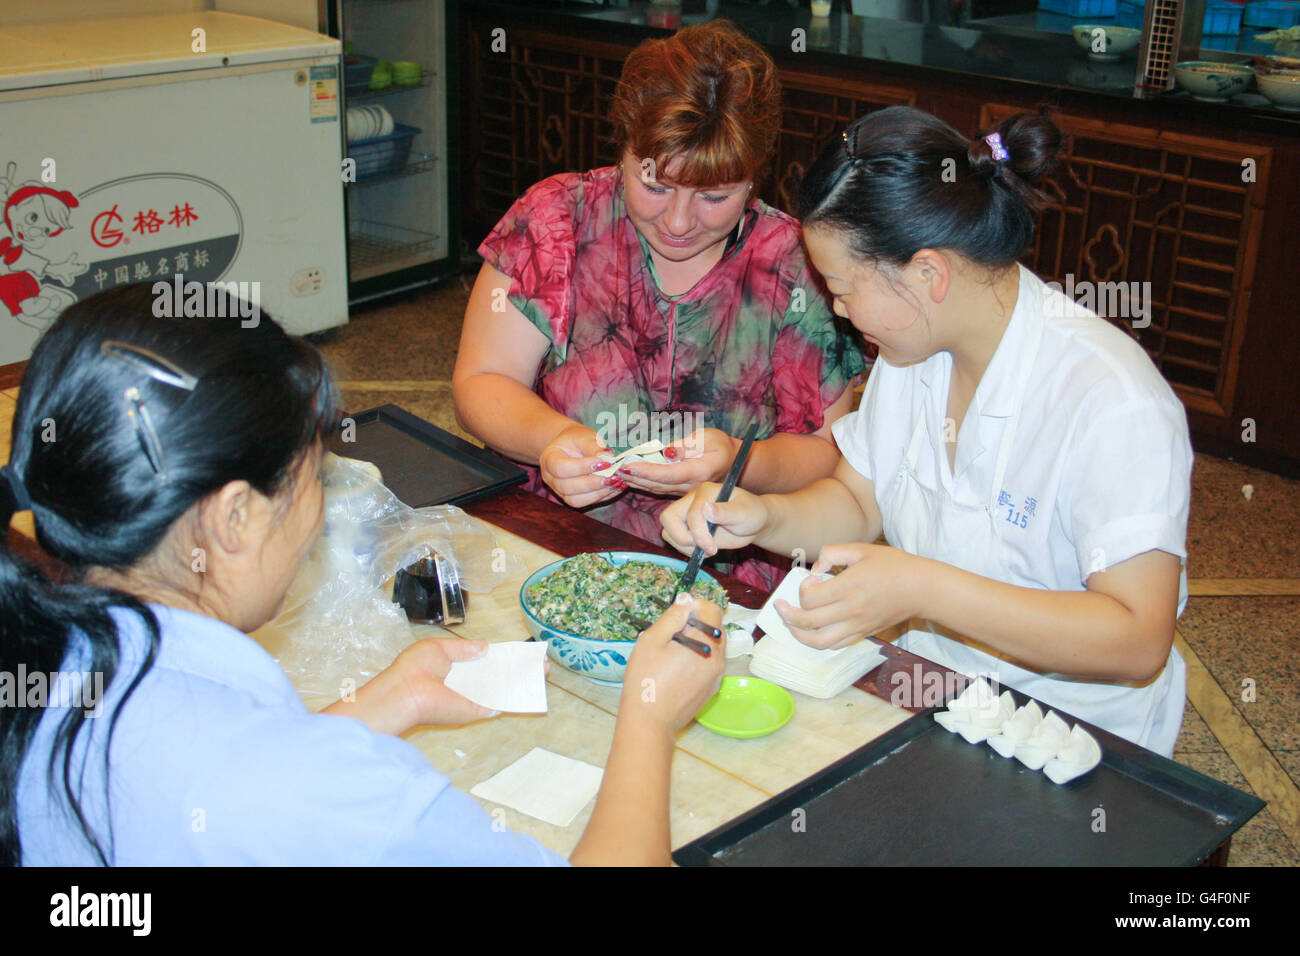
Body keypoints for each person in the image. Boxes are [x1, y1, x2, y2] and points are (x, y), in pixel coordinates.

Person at [1, 284, 724, 866]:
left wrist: (377, 706)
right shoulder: (327, 796)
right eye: (313, 471)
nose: (321, 498)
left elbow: (218, 767)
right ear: (233, 520)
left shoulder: (40, 662)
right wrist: (650, 716)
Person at [662, 107, 1193, 756]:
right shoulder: (914, 352)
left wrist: (921, 586)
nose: (839, 309)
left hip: (1071, 743)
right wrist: (763, 518)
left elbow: (1137, 639)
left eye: (842, 288)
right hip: (935, 697)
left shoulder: (1109, 398)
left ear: (927, 275)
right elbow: (859, 503)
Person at [452, 19, 865, 591]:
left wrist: (736, 462)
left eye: (714, 197)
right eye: (654, 185)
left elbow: (830, 454)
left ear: (754, 178)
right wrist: (549, 438)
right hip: (556, 544)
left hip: (726, 574)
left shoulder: (796, 265)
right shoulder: (555, 221)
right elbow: (483, 379)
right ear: (622, 150)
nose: (677, 222)